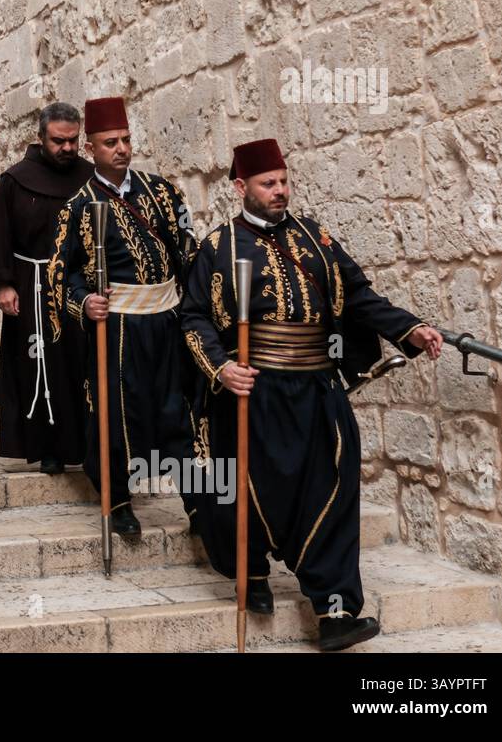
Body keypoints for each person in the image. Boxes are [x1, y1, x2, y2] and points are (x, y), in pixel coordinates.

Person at [181, 137, 444, 652]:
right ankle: (250, 572)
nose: (280, 191)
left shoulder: (316, 239)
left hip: (319, 385)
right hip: (255, 389)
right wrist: (221, 368)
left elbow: (361, 296)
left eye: (283, 181)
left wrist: (409, 329)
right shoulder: (217, 248)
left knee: (334, 488)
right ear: (241, 188)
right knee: (256, 491)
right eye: (267, 184)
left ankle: (336, 608)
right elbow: (193, 318)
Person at [46, 96, 198, 537]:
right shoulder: (77, 206)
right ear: (91, 148)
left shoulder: (162, 191)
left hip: (167, 319)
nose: (122, 149)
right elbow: (61, 272)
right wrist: (83, 303)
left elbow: (185, 244)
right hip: (119, 327)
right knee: (115, 413)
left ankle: (198, 502)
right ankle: (117, 499)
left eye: (126, 140)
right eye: (111, 142)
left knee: (179, 409)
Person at [0, 102, 94, 472]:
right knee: (38, 364)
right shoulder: (17, 179)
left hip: (79, 286)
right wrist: (3, 284)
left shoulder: (90, 178)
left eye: (73, 140)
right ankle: (47, 447)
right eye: (58, 140)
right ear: (40, 137)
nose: (67, 148)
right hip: (32, 284)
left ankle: (85, 443)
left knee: (80, 363)